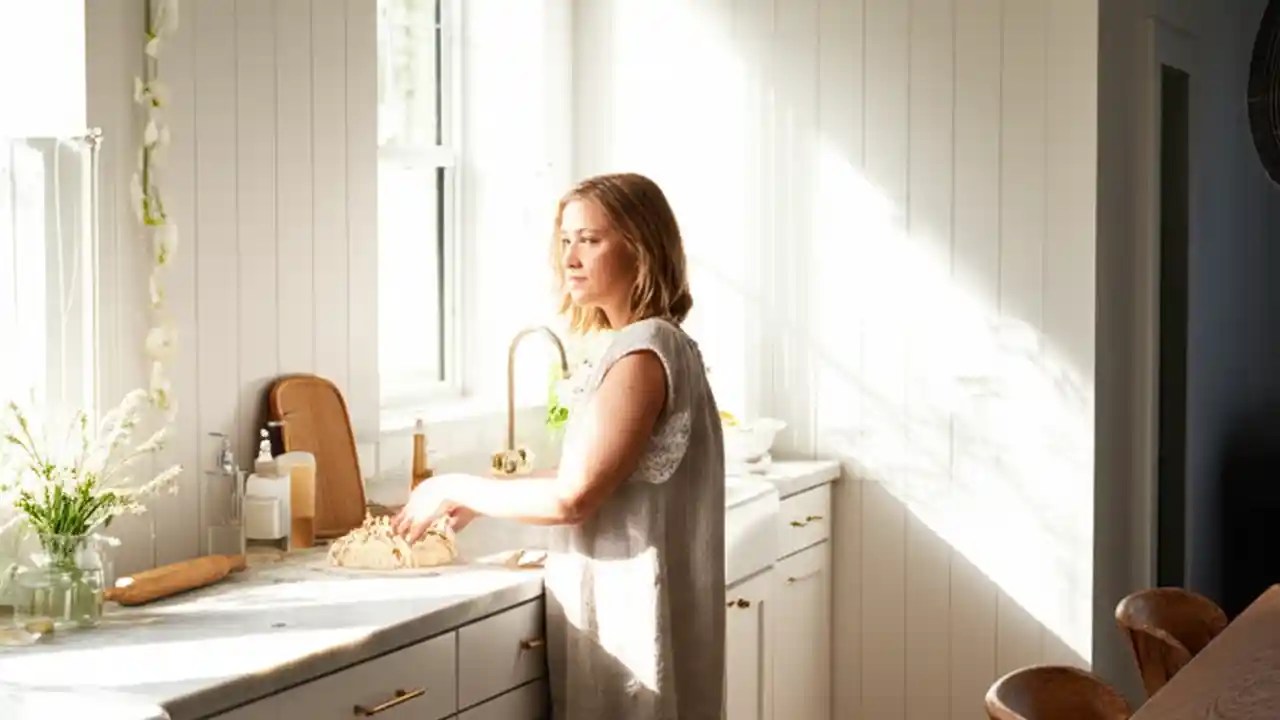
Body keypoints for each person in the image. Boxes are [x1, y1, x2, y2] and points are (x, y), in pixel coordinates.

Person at [392, 172, 726, 719]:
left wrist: (450, 484)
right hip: (645, 613)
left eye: (590, 240)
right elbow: (600, 475)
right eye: (566, 240)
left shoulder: (643, 350)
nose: (570, 257)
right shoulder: (657, 341)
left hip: (631, 623)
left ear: (641, 250)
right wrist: (481, 496)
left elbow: (574, 499)